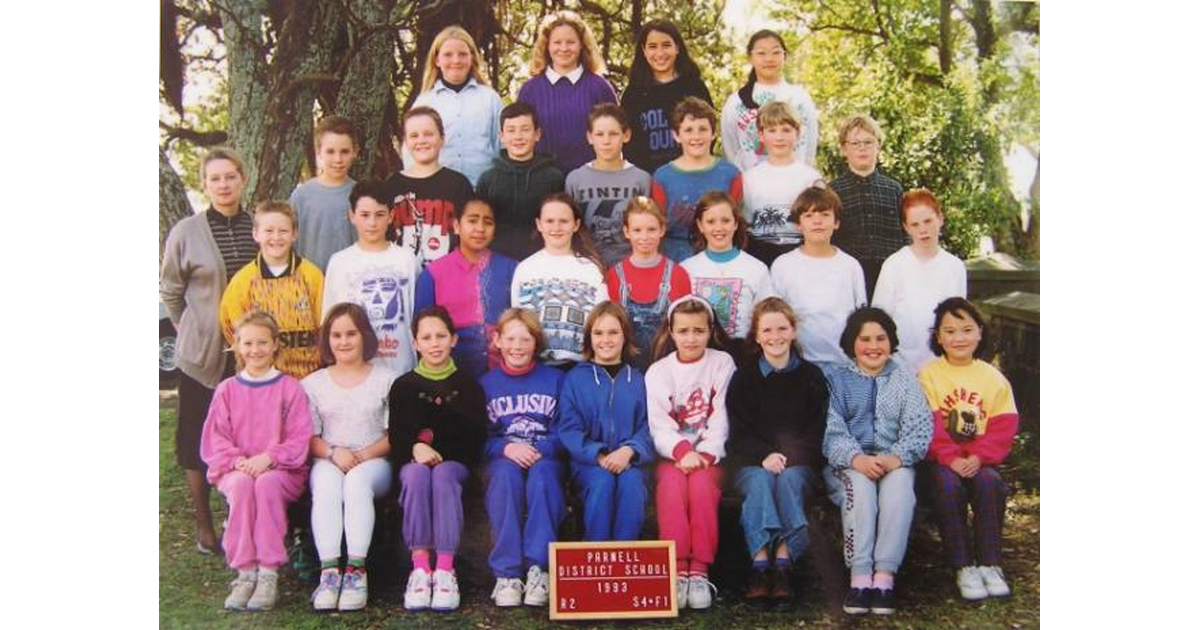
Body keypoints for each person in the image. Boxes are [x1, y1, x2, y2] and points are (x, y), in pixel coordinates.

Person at [161, 147, 257, 556]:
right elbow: (170, 290)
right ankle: (205, 527)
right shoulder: (187, 232)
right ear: (205, 184)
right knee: (195, 439)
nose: (223, 184)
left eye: (230, 176)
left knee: (247, 438)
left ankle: (244, 520)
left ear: (242, 179)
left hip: (250, 354)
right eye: (215, 178)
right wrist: (190, 327)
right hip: (201, 356)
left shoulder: (257, 226)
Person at [822, 307, 933, 616]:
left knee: (899, 490)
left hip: (893, 460)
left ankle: (884, 577)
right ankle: (860, 578)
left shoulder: (905, 380)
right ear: (851, 343)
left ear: (891, 341)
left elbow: (920, 427)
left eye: (881, 338)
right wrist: (855, 458)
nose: (873, 346)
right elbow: (830, 429)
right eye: (865, 339)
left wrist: (895, 457)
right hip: (848, 464)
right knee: (860, 491)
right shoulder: (836, 380)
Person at [200, 311, 313, 611]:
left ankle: (268, 572)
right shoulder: (227, 390)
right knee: (241, 485)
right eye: (247, 343)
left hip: (281, 470)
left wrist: (269, 458)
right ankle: (245, 571)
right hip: (237, 468)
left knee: (265, 485)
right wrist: (238, 462)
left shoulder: (290, 388)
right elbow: (216, 438)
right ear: (237, 345)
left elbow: (299, 438)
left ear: (275, 344)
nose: (255, 350)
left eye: (262, 342)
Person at [725, 298, 830, 604]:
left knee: (789, 480)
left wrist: (788, 457)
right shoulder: (744, 378)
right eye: (767, 330)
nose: (775, 336)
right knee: (760, 481)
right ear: (757, 336)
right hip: (752, 463)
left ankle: (783, 562)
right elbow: (738, 432)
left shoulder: (812, 377)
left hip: (799, 463)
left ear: (793, 331)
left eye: (782, 328)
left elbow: (819, 429)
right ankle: (760, 564)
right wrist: (764, 456)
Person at [918, 298, 1019, 602]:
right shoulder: (929, 375)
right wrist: (950, 458)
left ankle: (990, 563)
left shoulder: (993, 378)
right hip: (942, 461)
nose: (958, 338)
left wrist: (978, 457)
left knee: (990, 484)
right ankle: (962, 565)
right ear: (938, 337)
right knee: (948, 487)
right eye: (949, 331)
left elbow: (1004, 427)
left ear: (980, 333)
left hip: (980, 460)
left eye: (966, 330)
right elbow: (927, 425)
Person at [389, 306, 489, 612]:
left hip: (455, 466)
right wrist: (415, 448)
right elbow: (398, 437)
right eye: (427, 338)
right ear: (415, 343)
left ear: (453, 340)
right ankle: (420, 569)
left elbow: (474, 437)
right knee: (416, 475)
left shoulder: (468, 385)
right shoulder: (404, 386)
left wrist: (441, 455)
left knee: (443, 475)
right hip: (414, 465)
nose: (434, 344)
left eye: (441, 336)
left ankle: (445, 569)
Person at [303, 303, 397, 611]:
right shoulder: (313, 384)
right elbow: (308, 437)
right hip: (329, 458)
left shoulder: (387, 379)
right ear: (327, 340)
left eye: (351, 334)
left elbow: (395, 434)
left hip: (374, 462)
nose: (344, 341)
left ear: (364, 336)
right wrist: (334, 453)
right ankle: (329, 573)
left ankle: (356, 571)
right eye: (336, 335)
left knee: (356, 482)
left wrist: (363, 455)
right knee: (326, 485)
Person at [645, 296, 736, 610]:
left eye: (699, 331)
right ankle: (676, 566)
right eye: (683, 331)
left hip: (710, 457)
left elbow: (723, 415)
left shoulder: (722, 363)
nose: (691, 338)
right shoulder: (659, 371)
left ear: (710, 330)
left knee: (701, 487)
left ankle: (698, 569)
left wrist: (705, 454)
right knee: (671, 488)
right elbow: (658, 423)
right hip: (673, 456)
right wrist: (682, 451)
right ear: (671, 331)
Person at [480, 309, 568, 608]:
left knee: (543, 477)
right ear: (497, 341)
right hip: (504, 458)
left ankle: (538, 568)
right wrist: (504, 448)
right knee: (505, 477)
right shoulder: (486, 384)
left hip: (545, 457)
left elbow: (566, 430)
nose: (517, 347)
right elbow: (479, 437)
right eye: (510, 339)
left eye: (525, 339)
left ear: (536, 343)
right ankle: (507, 573)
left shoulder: (556, 380)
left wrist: (542, 449)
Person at [557, 302, 654, 541]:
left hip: (630, 463)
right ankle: (597, 550)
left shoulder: (638, 379)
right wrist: (598, 455)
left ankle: (625, 551)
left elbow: (649, 425)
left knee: (632, 484)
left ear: (625, 336)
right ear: (589, 338)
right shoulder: (575, 379)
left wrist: (629, 451)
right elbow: (569, 428)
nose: (606, 340)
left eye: (613, 332)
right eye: (598, 333)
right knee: (602, 481)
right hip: (588, 465)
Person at [323, 179, 420, 376]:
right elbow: (329, 321)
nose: (372, 223)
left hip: (401, 369)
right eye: (365, 215)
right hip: (355, 373)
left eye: (380, 215)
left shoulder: (407, 260)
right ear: (352, 216)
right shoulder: (340, 262)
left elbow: (416, 318)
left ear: (391, 216)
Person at [220, 200, 324, 380]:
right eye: (268, 231)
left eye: (283, 231)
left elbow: (325, 325)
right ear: (255, 234)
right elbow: (232, 331)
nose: (276, 237)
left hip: (309, 379)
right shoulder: (242, 282)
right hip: (263, 380)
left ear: (294, 234)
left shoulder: (312, 276)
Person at [415, 198, 517, 377]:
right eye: (472, 220)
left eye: (488, 222)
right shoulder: (433, 274)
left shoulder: (511, 269)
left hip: (504, 374)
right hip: (451, 375)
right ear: (456, 226)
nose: (480, 228)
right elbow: (421, 330)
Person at [771, 186, 867, 371]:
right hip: (797, 367)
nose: (817, 221)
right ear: (798, 224)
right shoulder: (782, 266)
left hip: (844, 366)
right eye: (808, 215)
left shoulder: (850, 266)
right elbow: (775, 318)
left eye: (825, 214)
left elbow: (861, 319)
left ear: (836, 222)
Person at [873, 189, 967, 374]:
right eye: (915, 224)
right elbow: (879, 320)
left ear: (940, 219)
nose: (923, 230)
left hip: (943, 368)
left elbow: (958, 320)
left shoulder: (954, 267)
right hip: (899, 367)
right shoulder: (894, 264)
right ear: (906, 227)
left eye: (928, 221)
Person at [510, 193, 608, 367]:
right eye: (549, 221)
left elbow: (601, 319)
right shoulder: (525, 269)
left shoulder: (591, 268)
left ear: (576, 225)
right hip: (536, 366)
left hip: (580, 366)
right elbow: (518, 320)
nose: (556, 227)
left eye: (564, 221)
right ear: (539, 224)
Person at [517, 10, 618, 174]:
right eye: (557, 42)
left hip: (592, 179)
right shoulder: (530, 90)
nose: (563, 48)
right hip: (542, 179)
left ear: (581, 45)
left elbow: (616, 138)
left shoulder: (600, 87)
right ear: (547, 46)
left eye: (570, 42)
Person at [651, 97, 744, 261]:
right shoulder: (663, 177)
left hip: (717, 257)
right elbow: (656, 226)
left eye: (703, 129)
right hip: (674, 258)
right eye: (688, 130)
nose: (696, 136)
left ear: (713, 133)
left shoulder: (730, 174)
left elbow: (736, 224)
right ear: (676, 135)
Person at [604, 196, 692, 370]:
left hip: (668, 369)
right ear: (626, 232)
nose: (644, 237)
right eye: (637, 230)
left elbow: (687, 325)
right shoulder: (614, 275)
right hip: (626, 369)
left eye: (651, 229)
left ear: (662, 230)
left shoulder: (678, 274)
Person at [681, 191, 776, 350]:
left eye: (725, 220)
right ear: (700, 226)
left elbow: (766, 317)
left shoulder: (757, 269)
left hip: (743, 353)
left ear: (736, 223)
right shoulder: (687, 269)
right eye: (711, 221)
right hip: (700, 353)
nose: (719, 228)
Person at [411, 26, 503, 187]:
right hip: (439, 190)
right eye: (448, 55)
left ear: (472, 58)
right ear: (436, 60)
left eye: (462, 54)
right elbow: (411, 151)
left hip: (483, 191)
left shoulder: (490, 99)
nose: (456, 60)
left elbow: (501, 145)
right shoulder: (425, 102)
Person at [384, 106, 474, 268]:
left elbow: (470, 236)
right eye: (414, 135)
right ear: (405, 141)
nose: (421, 140)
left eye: (428, 134)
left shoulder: (458, 184)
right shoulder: (392, 185)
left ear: (442, 138)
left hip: (447, 275)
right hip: (401, 275)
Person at [620, 19, 714, 174]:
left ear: (677, 47)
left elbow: (708, 132)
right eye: (652, 46)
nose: (660, 53)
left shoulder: (694, 87)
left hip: (692, 174)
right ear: (643, 50)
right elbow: (628, 144)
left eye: (666, 45)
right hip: (649, 178)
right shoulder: (633, 94)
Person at [829, 115, 906, 301]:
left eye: (868, 142)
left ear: (878, 146)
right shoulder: (832, 191)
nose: (862, 148)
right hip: (847, 276)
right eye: (855, 143)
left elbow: (906, 233)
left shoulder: (894, 189)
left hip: (889, 274)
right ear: (844, 149)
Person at [476, 102, 566, 260]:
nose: (518, 136)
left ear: (537, 134)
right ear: (501, 136)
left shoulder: (554, 177)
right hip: (497, 259)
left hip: (542, 259)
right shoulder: (488, 179)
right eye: (511, 130)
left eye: (525, 129)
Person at [720, 29, 820, 172]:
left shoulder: (800, 97)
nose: (769, 59)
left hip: (795, 180)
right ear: (750, 57)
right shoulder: (736, 102)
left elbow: (810, 144)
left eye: (776, 52)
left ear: (785, 56)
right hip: (750, 182)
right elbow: (731, 149)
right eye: (761, 53)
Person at [566, 103, 652, 267]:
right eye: (599, 134)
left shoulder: (641, 179)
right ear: (589, 137)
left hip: (629, 265)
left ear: (626, 135)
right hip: (586, 265)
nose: (606, 141)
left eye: (613, 134)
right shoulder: (575, 179)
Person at [741, 101, 825, 266]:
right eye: (772, 130)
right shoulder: (749, 178)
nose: (779, 137)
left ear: (797, 134)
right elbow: (746, 223)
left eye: (786, 130)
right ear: (761, 135)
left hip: (800, 254)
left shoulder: (810, 178)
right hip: (759, 254)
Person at [290, 115, 360, 273]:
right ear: (318, 152)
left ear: (355, 152)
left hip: (351, 281)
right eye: (330, 151)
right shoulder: (301, 197)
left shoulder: (361, 195)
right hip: (309, 282)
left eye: (344, 152)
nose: (338, 159)